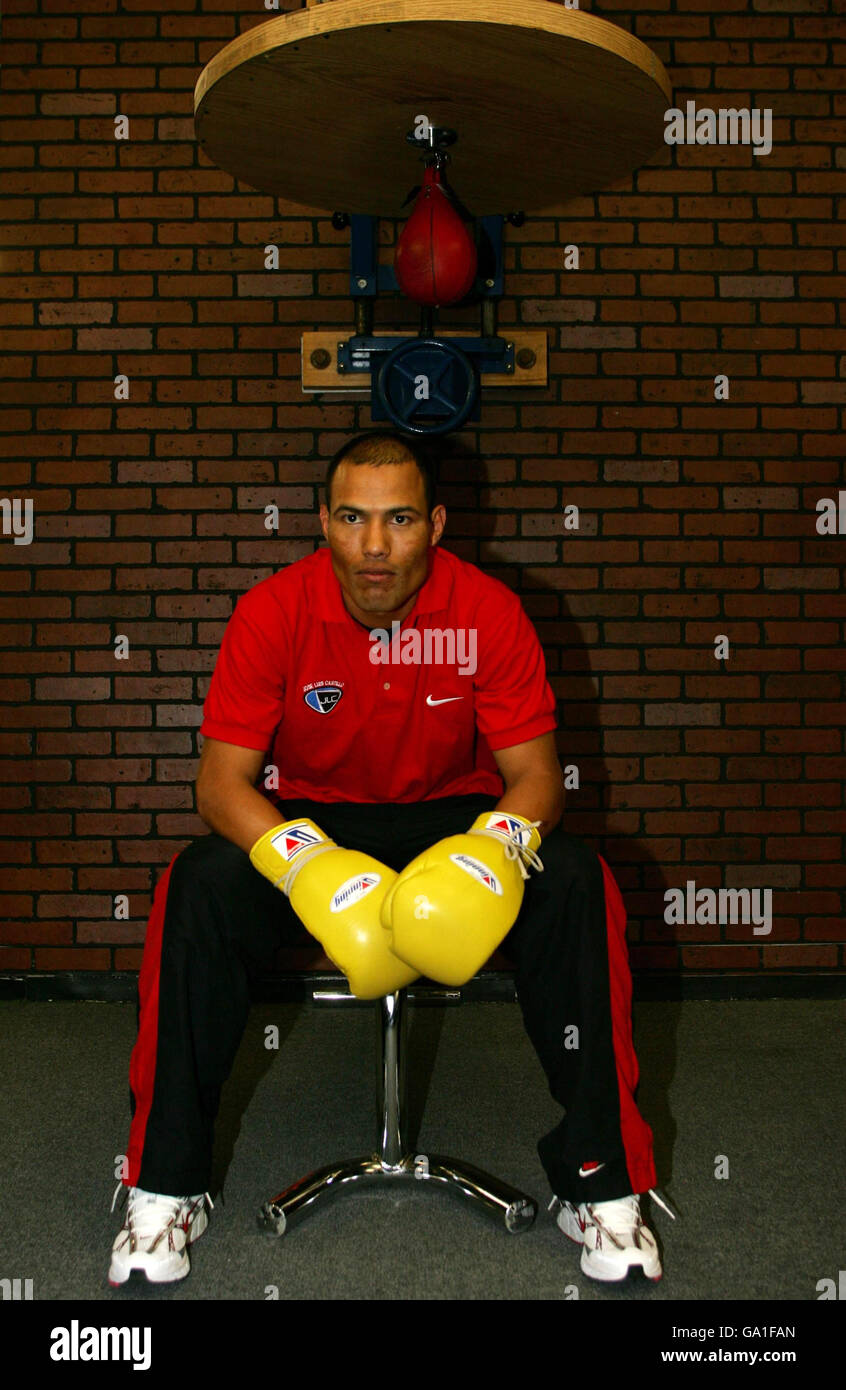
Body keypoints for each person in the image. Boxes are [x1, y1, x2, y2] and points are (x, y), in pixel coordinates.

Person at [108, 429, 673, 1289]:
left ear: (437, 523)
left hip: (456, 820)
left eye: (400, 518)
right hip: (316, 818)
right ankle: (165, 1184)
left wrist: (488, 852)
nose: (375, 545)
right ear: (323, 523)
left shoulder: (489, 612)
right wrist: (301, 859)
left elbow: (535, 780)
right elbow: (221, 785)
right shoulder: (273, 611)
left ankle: (600, 1181)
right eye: (353, 519)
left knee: (579, 882)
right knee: (198, 884)